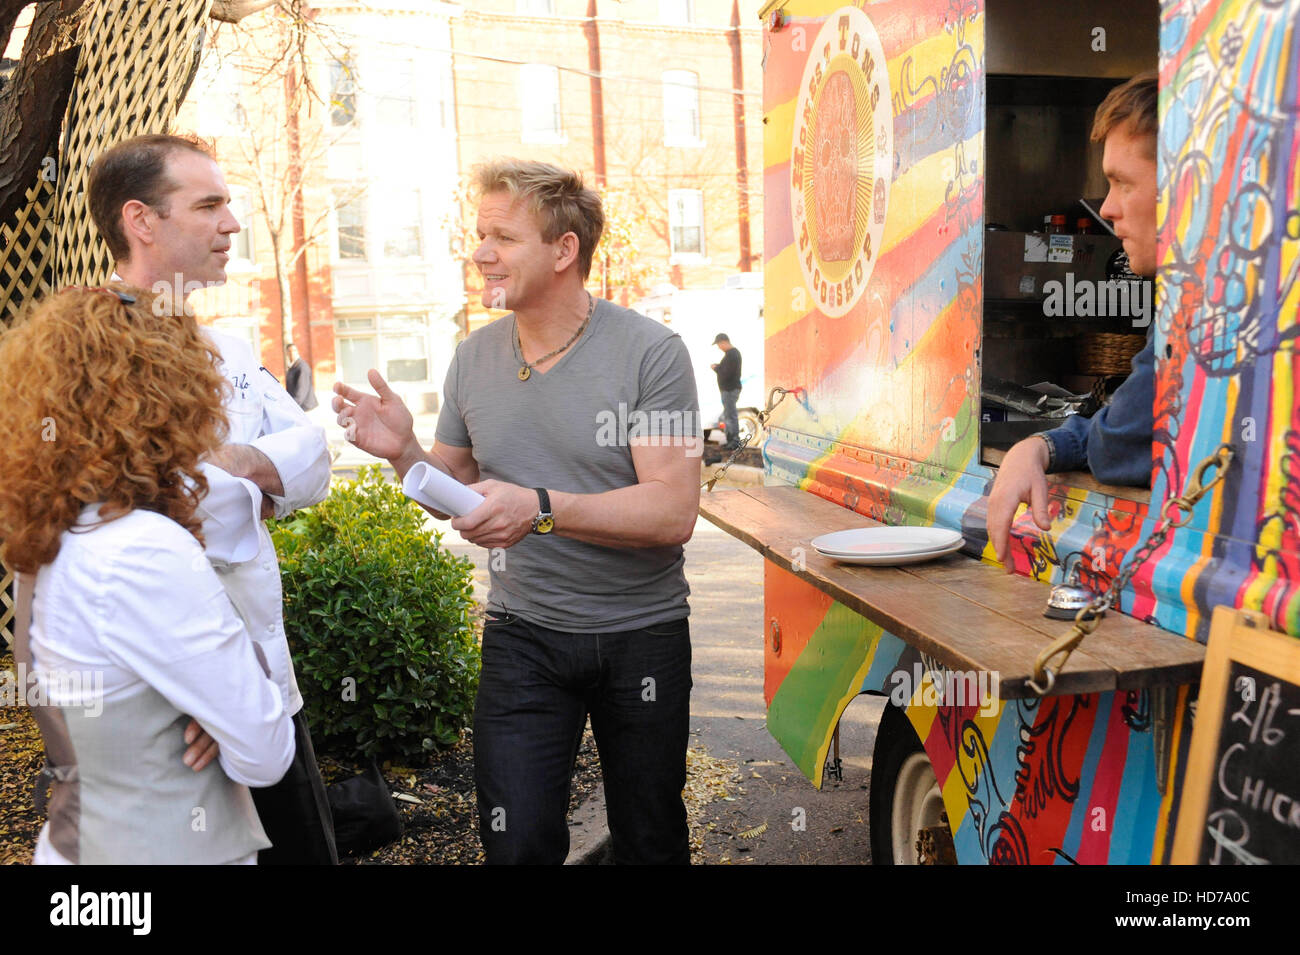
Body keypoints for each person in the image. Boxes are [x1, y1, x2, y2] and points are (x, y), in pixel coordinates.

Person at [333, 159, 700, 864]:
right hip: (523, 637)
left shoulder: (653, 353)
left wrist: (539, 509)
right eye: (479, 234)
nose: (480, 252)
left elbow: (672, 511)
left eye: (501, 236)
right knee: (515, 839)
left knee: (650, 837)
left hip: (641, 636)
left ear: (564, 251)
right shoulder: (473, 359)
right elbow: (455, 485)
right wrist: (402, 450)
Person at [86, 134, 336, 863]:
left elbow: (314, 457)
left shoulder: (226, 347)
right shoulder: (88, 352)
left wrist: (235, 465)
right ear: (142, 220)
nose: (232, 224)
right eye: (210, 205)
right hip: (173, 718)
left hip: (268, 691)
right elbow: (132, 527)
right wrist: (248, 486)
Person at [0, 286, 295, 864]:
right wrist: (235, 693)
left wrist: (216, 706)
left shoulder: (54, 537)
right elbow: (265, 751)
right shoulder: (144, 549)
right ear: (166, 398)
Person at [986, 72, 1158, 570]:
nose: (1106, 208)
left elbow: (1116, 442)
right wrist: (1043, 443)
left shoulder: (1200, 314)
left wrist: (1040, 445)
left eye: (1123, 183)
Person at [710, 332, 743, 449]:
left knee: (730, 416)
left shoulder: (732, 354)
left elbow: (726, 373)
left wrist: (716, 368)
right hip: (729, 389)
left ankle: (734, 441)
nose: (719, 347)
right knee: (728, 416)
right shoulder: (731, 354)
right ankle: (731, 440)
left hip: (730, 390)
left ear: (724, 342)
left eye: (719, 344)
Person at [284, 342, 318, 411]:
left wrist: (291, 407)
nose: (292, 353)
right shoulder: (292, 367)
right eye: (289, 351)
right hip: (299, 407)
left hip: (306, 407)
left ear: (297, 352)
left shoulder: (302, 367)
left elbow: (301, 391)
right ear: (287, 353)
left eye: (294, 350)